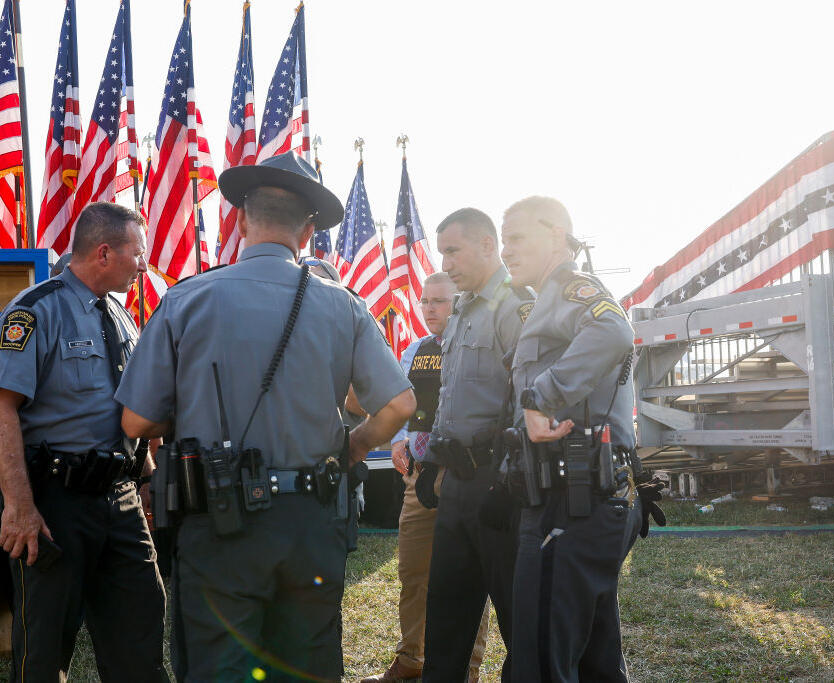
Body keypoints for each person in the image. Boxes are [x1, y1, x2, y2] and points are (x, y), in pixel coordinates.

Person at [115, 151, 416, 682]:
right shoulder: (343, 305)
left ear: (240, 220)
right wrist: (351, 446)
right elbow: (400, 406)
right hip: (312, 519)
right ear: (307, 230)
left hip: (220, 520)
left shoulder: (187, 299)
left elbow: (136, 422)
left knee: (219, 668)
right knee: (307, 667)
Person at [500, 196, 664, 682]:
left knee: (542, 659)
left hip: (571, 501)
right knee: (595, 660)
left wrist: (540, 398)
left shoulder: (572, 288)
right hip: (582, 500)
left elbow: (614, 330)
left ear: (555, 234)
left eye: (516, 237)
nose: (506, 251)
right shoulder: (546, 299)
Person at [0, 202, 166, 681]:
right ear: (105, 251)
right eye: (139, 253)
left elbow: (123, 412)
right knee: (45, 649)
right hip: (55, 505)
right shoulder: (34, 310)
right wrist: (19, 507)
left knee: (140, 633)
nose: (144, 264)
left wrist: (147, 479)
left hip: (122, 499)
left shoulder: (122, 316)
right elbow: (2, 407)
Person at [421, 208, 534, 682]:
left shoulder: (516, 305)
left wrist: (507, 483)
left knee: (518, 622)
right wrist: (431, 463)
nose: (444, 261)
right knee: (446, 617)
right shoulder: (463, 307)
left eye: (453, 250)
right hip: (457, 486)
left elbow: (528, 401)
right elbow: (450, 397)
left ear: (488, 245)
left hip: (499, 487)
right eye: (441, 250)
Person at [363, 271, 491, 683]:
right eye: (424, 301)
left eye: (439, 300)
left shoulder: (476, 347)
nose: (429, 308)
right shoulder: (416, 350)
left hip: (466, 476)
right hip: (418, 480)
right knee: (414, 573)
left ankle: (466, 671)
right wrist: (399, 440)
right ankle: (411, 659)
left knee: (470, 579)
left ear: (460, 301)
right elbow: (403, 404)